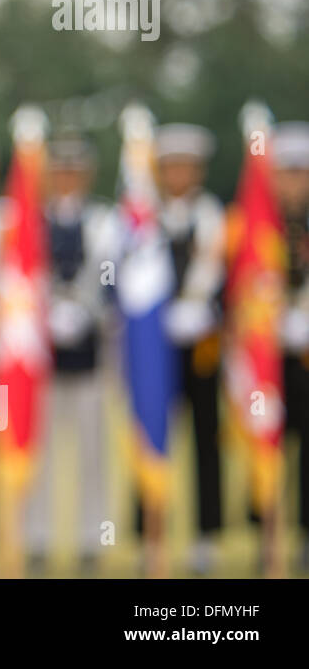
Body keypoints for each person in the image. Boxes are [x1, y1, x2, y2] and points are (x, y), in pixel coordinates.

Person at [24, 136, 114, 573]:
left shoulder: (104, 221)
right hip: (40, 356)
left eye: (74, 170)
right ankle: (35, 537)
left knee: (92, 450)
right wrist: (46, 311)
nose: (66, 178)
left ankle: (90, 537)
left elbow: (111, 277)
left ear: (87, 173)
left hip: (89, 351)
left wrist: (84, 310)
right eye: (58, 170)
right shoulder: (30, 219)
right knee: (38, 451)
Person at [155, 123, 226, 573]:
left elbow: (221, 270)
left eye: (187, 166)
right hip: (157, 347)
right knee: (153, 438)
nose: (179, 174)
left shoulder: (212, 214)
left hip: (200, 344)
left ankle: (206, 536)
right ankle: (152, 533)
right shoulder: (144, 214)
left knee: (205, 438)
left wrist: (201, 305)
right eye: (171, 166)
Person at [273, 122, 309, 571]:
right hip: (268, 355)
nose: (294, 182)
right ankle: (267, 532)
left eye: (301, 172)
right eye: (287, 172)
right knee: (266, 445)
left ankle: (304, 534)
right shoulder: (255, 221)